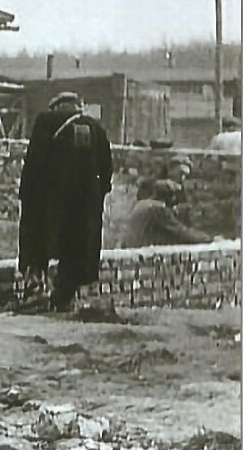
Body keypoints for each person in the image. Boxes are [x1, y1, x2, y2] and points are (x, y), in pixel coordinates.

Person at [17, 91, 114, 312]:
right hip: (85, 208)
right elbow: (106, 170)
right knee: (77, 249)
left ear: (58, 107)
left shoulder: (46, 122)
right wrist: (96, 198)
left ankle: (35, 290)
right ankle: (65, 297)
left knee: (36, 241)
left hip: (50, 203)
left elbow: (34, 162)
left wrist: (27, 194)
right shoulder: (96, 128)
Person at [124, 179, 213, 248]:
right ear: (170, 197)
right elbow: (179, 231)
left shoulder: (141, 204)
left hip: (132, 246)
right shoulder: (157, 209)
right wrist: (207, 238)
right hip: (142, 250)